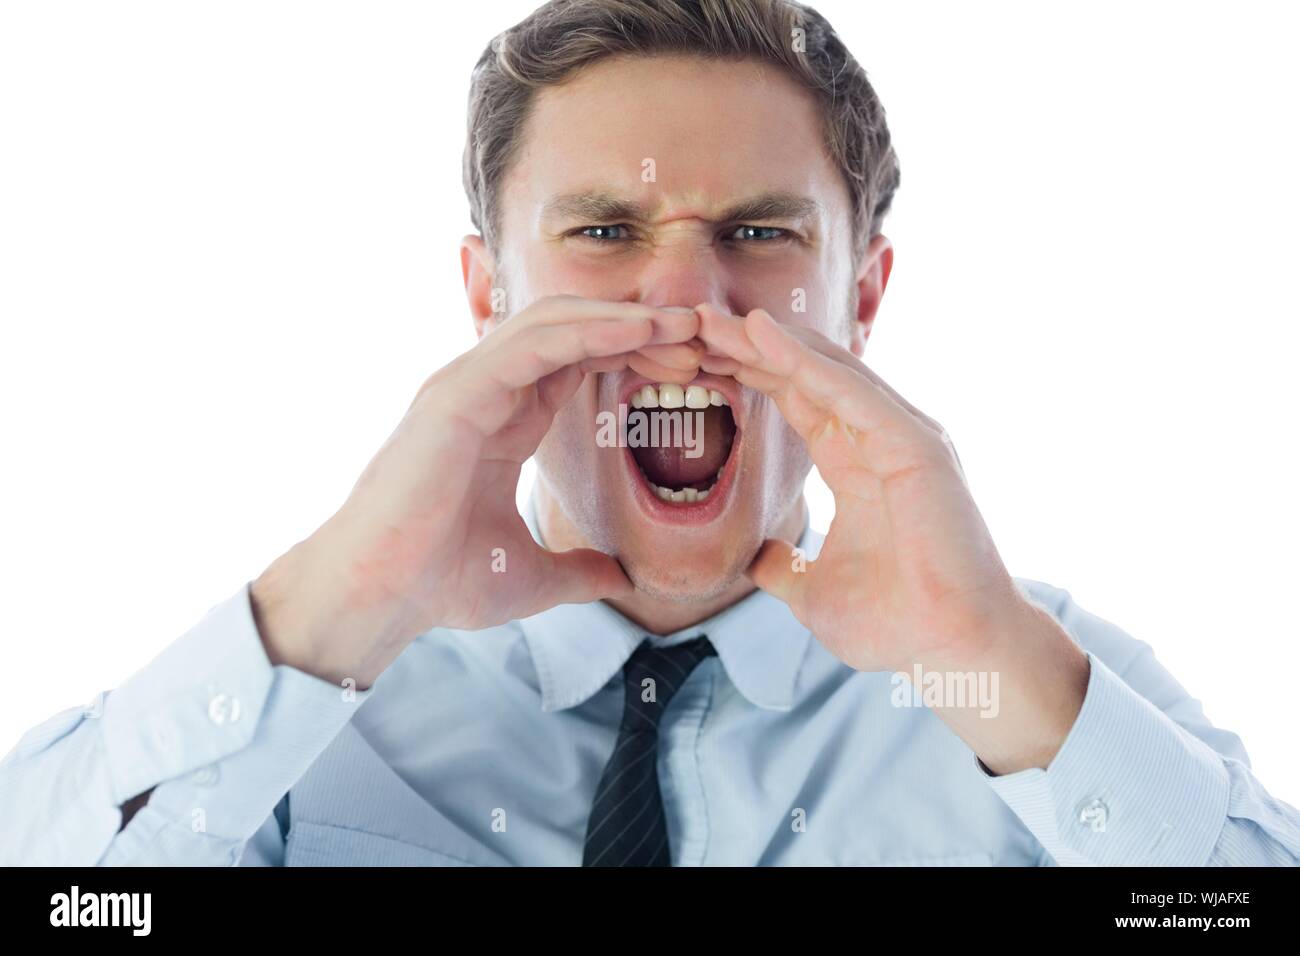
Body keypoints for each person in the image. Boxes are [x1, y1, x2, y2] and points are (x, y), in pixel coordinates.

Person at [3, 0, 1297, 867]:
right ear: (486, 297)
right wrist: (319, 622)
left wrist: (989, 664)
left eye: (759, 233)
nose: (682, 303)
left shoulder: (1035, 687)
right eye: (606, 234)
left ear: (861, 298)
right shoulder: (299, 718)